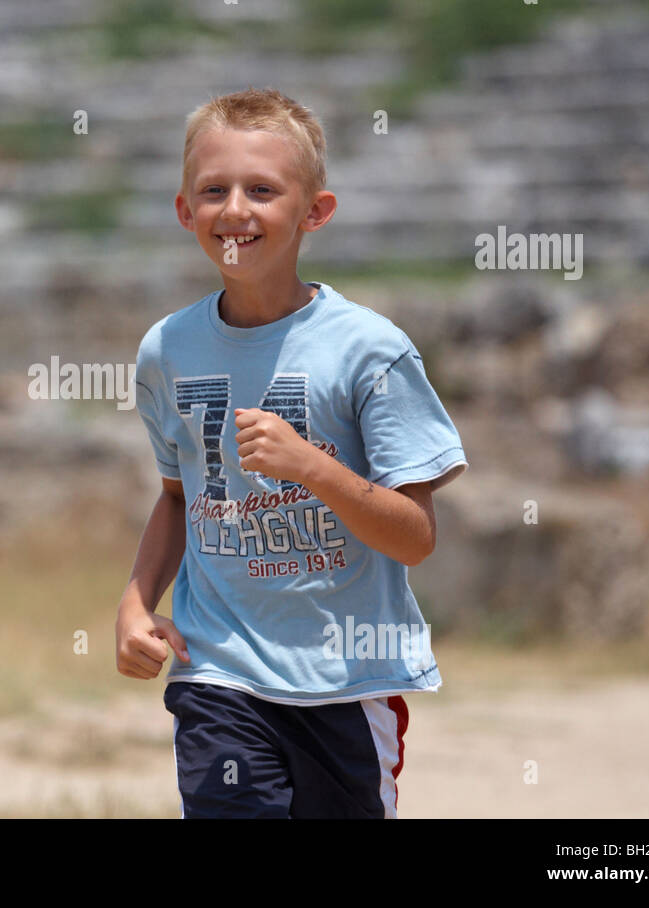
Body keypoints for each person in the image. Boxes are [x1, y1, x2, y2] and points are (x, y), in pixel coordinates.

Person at [116, 87, 468, 818]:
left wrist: (312, 466)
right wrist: (133, 603)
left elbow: (415, 536)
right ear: (186, 211)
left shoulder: (370, 350)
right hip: (218, 672)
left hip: (346, 681)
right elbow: (180, 496)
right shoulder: (166, 351)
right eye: (213, 190)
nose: (235, 210)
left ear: (315, 212)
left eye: (263, 190)